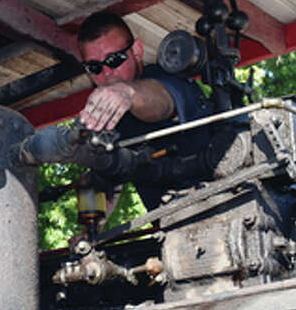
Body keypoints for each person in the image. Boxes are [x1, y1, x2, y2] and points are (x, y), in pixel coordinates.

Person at [75, 11, 208, 210]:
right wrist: (89, 226)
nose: (107, 73)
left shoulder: (167, 79)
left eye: (114, 60)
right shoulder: (105, 116)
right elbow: (100, 175)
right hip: (172, 228)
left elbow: (163, 102)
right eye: (94, 67)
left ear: (137, 50)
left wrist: (127, 94)